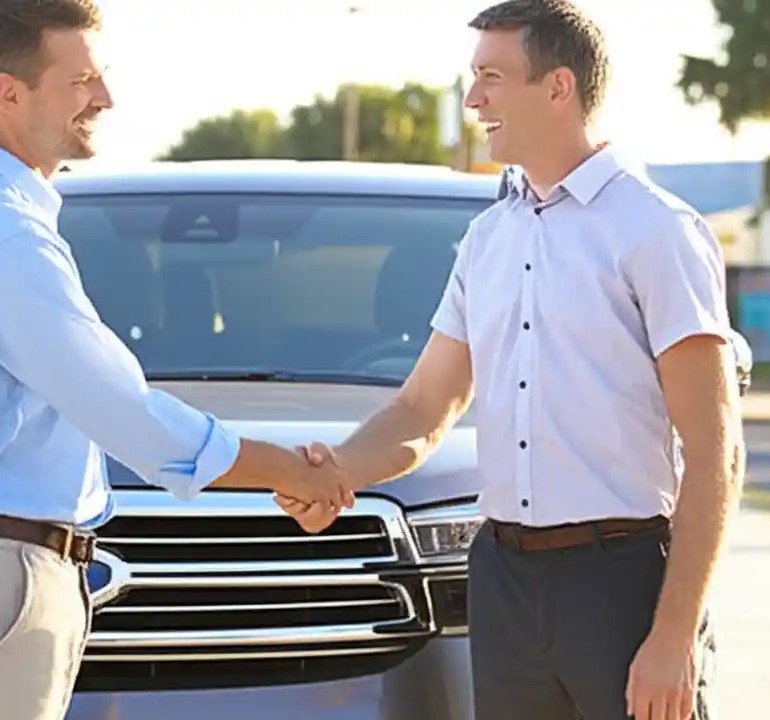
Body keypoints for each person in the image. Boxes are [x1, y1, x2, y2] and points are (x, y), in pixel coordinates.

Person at [0, 2, 354, 718]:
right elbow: (122, 413)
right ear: (8, 92)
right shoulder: (0, 232)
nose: (105, 99)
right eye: (82, 81)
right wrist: (286, 472)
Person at [280, 2, 744, 719]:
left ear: (558, 87)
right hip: (500, 582)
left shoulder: (656, 232)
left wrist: (674, 634)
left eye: (491, 77)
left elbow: (716, 451)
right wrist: (336, 472)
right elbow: (422, 409)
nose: (473, 100)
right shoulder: (486, 240)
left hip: (619, 582)